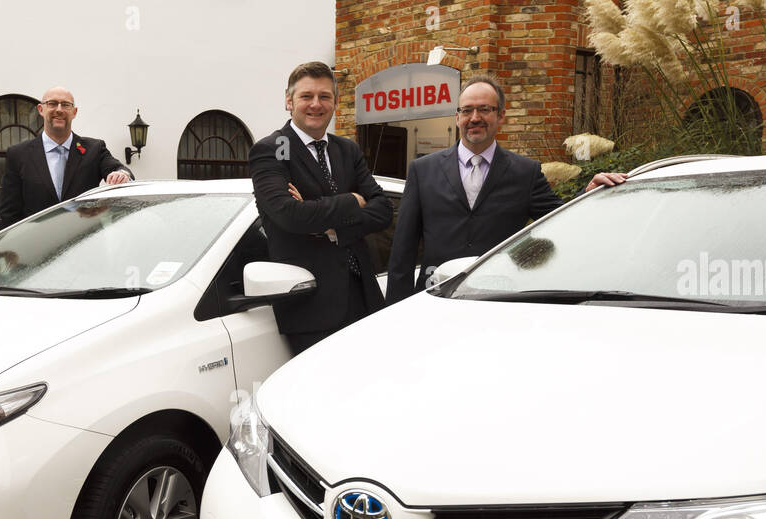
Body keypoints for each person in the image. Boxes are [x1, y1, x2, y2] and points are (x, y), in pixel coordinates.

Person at [385, 75, 627, 304]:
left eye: (484, 109)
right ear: (457, 117)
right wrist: (394, 311)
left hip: (501, 299)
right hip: (436, 296)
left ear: (501, 115)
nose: (475, 117)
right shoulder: (422, 170)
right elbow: (403, 250)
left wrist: (587, 194)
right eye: (467, 110)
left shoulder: (526, 172)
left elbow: (557, 220)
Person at [250, 61, 393, 355]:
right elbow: (290, 216)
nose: (316, 104)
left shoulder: (347, 149)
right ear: (289, 102)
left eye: (324, 96)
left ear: (336, 102)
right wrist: (353, 200)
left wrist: (330, 225)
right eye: (306, 96)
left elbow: (383, 210)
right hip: (311, 309)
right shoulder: (273, 149)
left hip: (365, 296)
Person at [0, 87, 132, 225]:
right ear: (40, 109)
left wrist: (121, 174)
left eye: (66, 105)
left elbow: (119, 169)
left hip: (85, 240)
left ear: (74, 112)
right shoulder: (19, 154)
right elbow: (10, 214)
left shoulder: (94, 149)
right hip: (38, 243)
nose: (59, 109)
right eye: (52, 103)